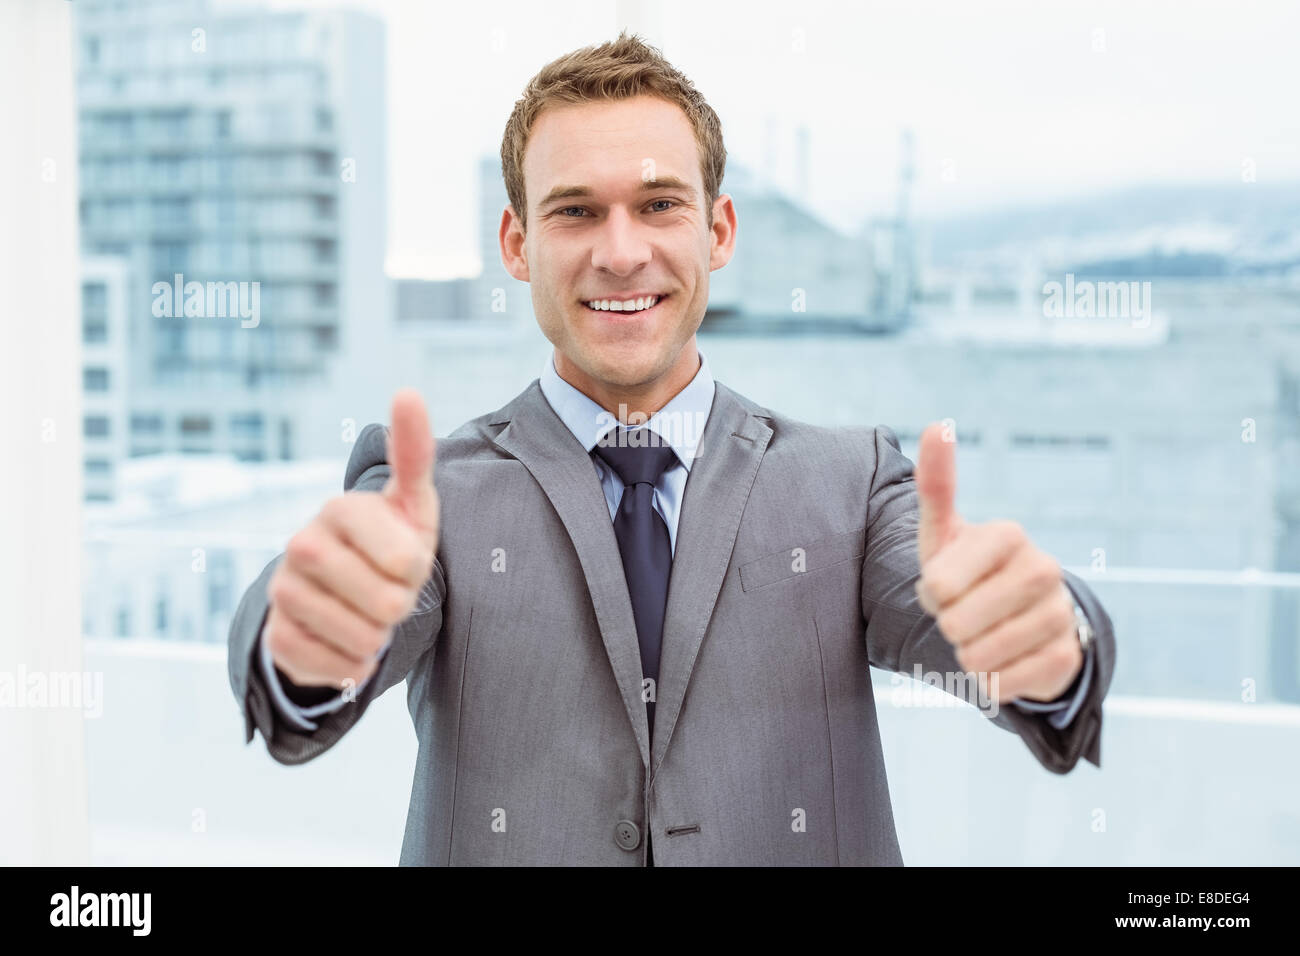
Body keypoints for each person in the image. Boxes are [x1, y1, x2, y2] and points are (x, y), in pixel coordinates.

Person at [228, 31, 1114, 866]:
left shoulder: (851, 483)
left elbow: (981, 633)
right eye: (575, 211)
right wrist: (301, 646)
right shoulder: (434, 499)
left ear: (717, 231)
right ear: (516, 243)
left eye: (659, 205)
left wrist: (1045, 649)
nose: (622, 254)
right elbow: (313, 665)